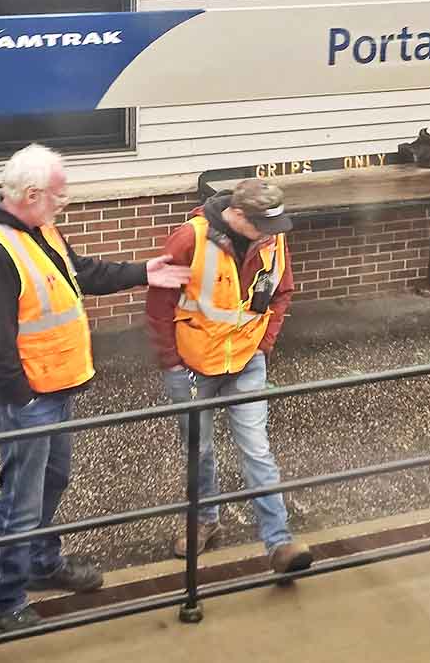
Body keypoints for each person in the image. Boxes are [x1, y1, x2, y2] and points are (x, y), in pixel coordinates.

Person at [0, 143, 191, 632]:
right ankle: (5, 602)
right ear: (30, 194)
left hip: (54, 390)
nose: (65, 204)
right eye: (59, 197)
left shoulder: (37, 227)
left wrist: (142, 272)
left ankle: (42, 564)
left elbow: (78, 272)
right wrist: (23, 401)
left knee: (52, 481)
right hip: (28, 400)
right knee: (19, 500)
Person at [146, 178, 313, 576]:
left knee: (257, 450)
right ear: (236, 215)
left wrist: (263, 345)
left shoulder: (271, 237)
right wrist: (171, 365)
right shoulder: (190, 239)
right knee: (199, 450)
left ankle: (279, 542)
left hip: (245, 361)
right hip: (192, 366)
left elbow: (282, 291)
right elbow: (159, 305)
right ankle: (205, 520)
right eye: (261, 228)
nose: (269, 237)